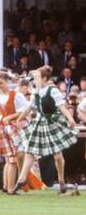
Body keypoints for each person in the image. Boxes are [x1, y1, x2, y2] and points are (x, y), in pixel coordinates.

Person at [14, 65, 80, 195]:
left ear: (44, 78)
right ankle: (21, 180)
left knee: (57, 155)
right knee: (30, 151)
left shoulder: (52, 91)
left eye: (37, 77)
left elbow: (61, 107)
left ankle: (61, 181)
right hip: (40, 122)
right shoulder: (36, 92)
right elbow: (30, 108)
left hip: (53, 122)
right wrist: (19, 119)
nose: (34, 80)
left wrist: (70, 119)